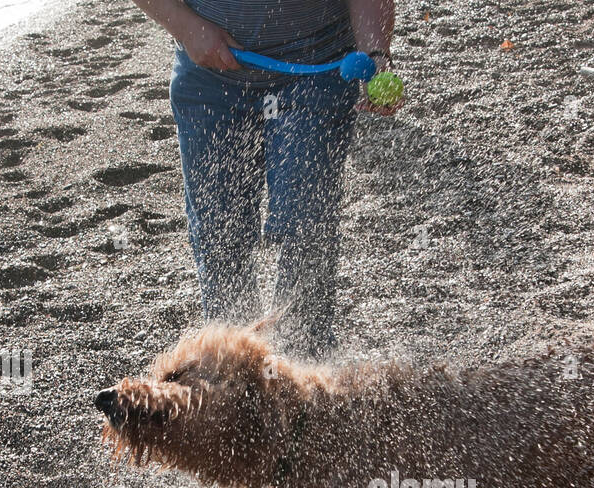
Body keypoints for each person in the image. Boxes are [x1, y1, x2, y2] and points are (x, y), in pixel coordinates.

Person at [132, 0, 397, 356]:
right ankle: (231, 371)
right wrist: (186, 27)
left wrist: (376, 53)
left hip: (317, 71)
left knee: (306, 227)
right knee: (219, 234)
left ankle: (304, 367)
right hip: (208, 76)